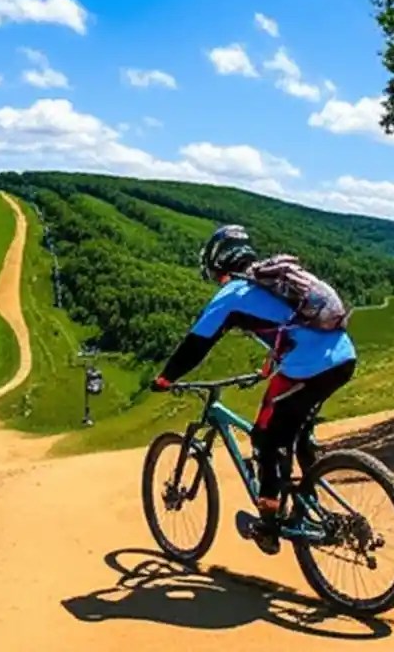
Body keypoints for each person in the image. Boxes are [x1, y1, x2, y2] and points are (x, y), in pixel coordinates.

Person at [149, 224, 357, 555]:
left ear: (217, 262)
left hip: (309, 367)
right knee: (294, 430)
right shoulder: (269, 282)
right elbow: (289, 326)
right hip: (343, 357)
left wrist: (165, 378)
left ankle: (269, 526)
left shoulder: (231, 295)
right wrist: (271, 361)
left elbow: (196, 344)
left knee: (266, 436)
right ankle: (308, 499)